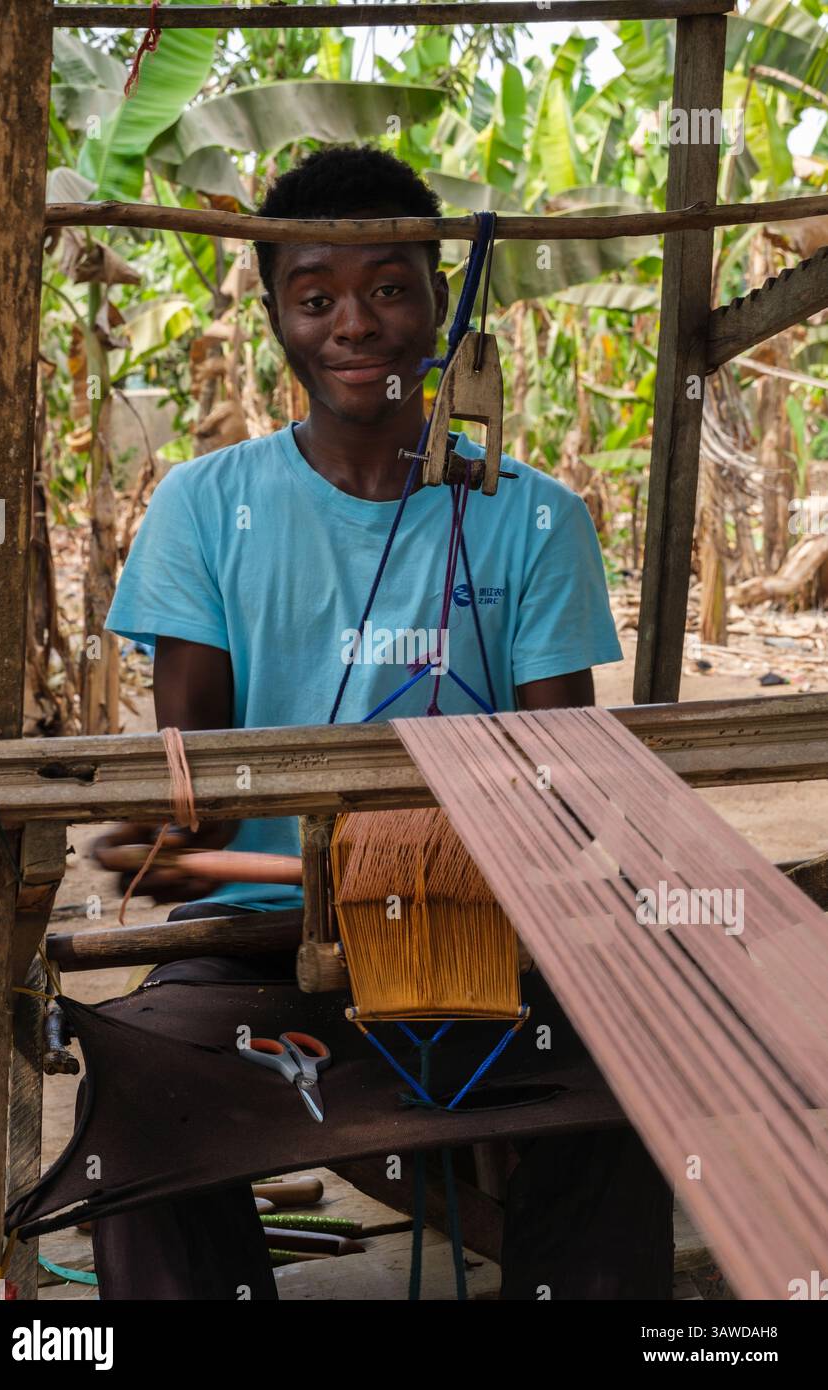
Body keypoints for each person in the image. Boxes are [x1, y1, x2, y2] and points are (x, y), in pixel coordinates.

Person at [99, 144, 673, 1300]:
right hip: (264, 949)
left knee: (630, 1061)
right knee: (137, 1081)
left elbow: (561, 794)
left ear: (440, 301)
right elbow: (197, 783)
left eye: (390, 289)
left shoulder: (534, 519)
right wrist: (189, 854)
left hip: (487, 942)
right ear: (272, 317)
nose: (354, 324)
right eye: (314, 297)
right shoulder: (204, 509)